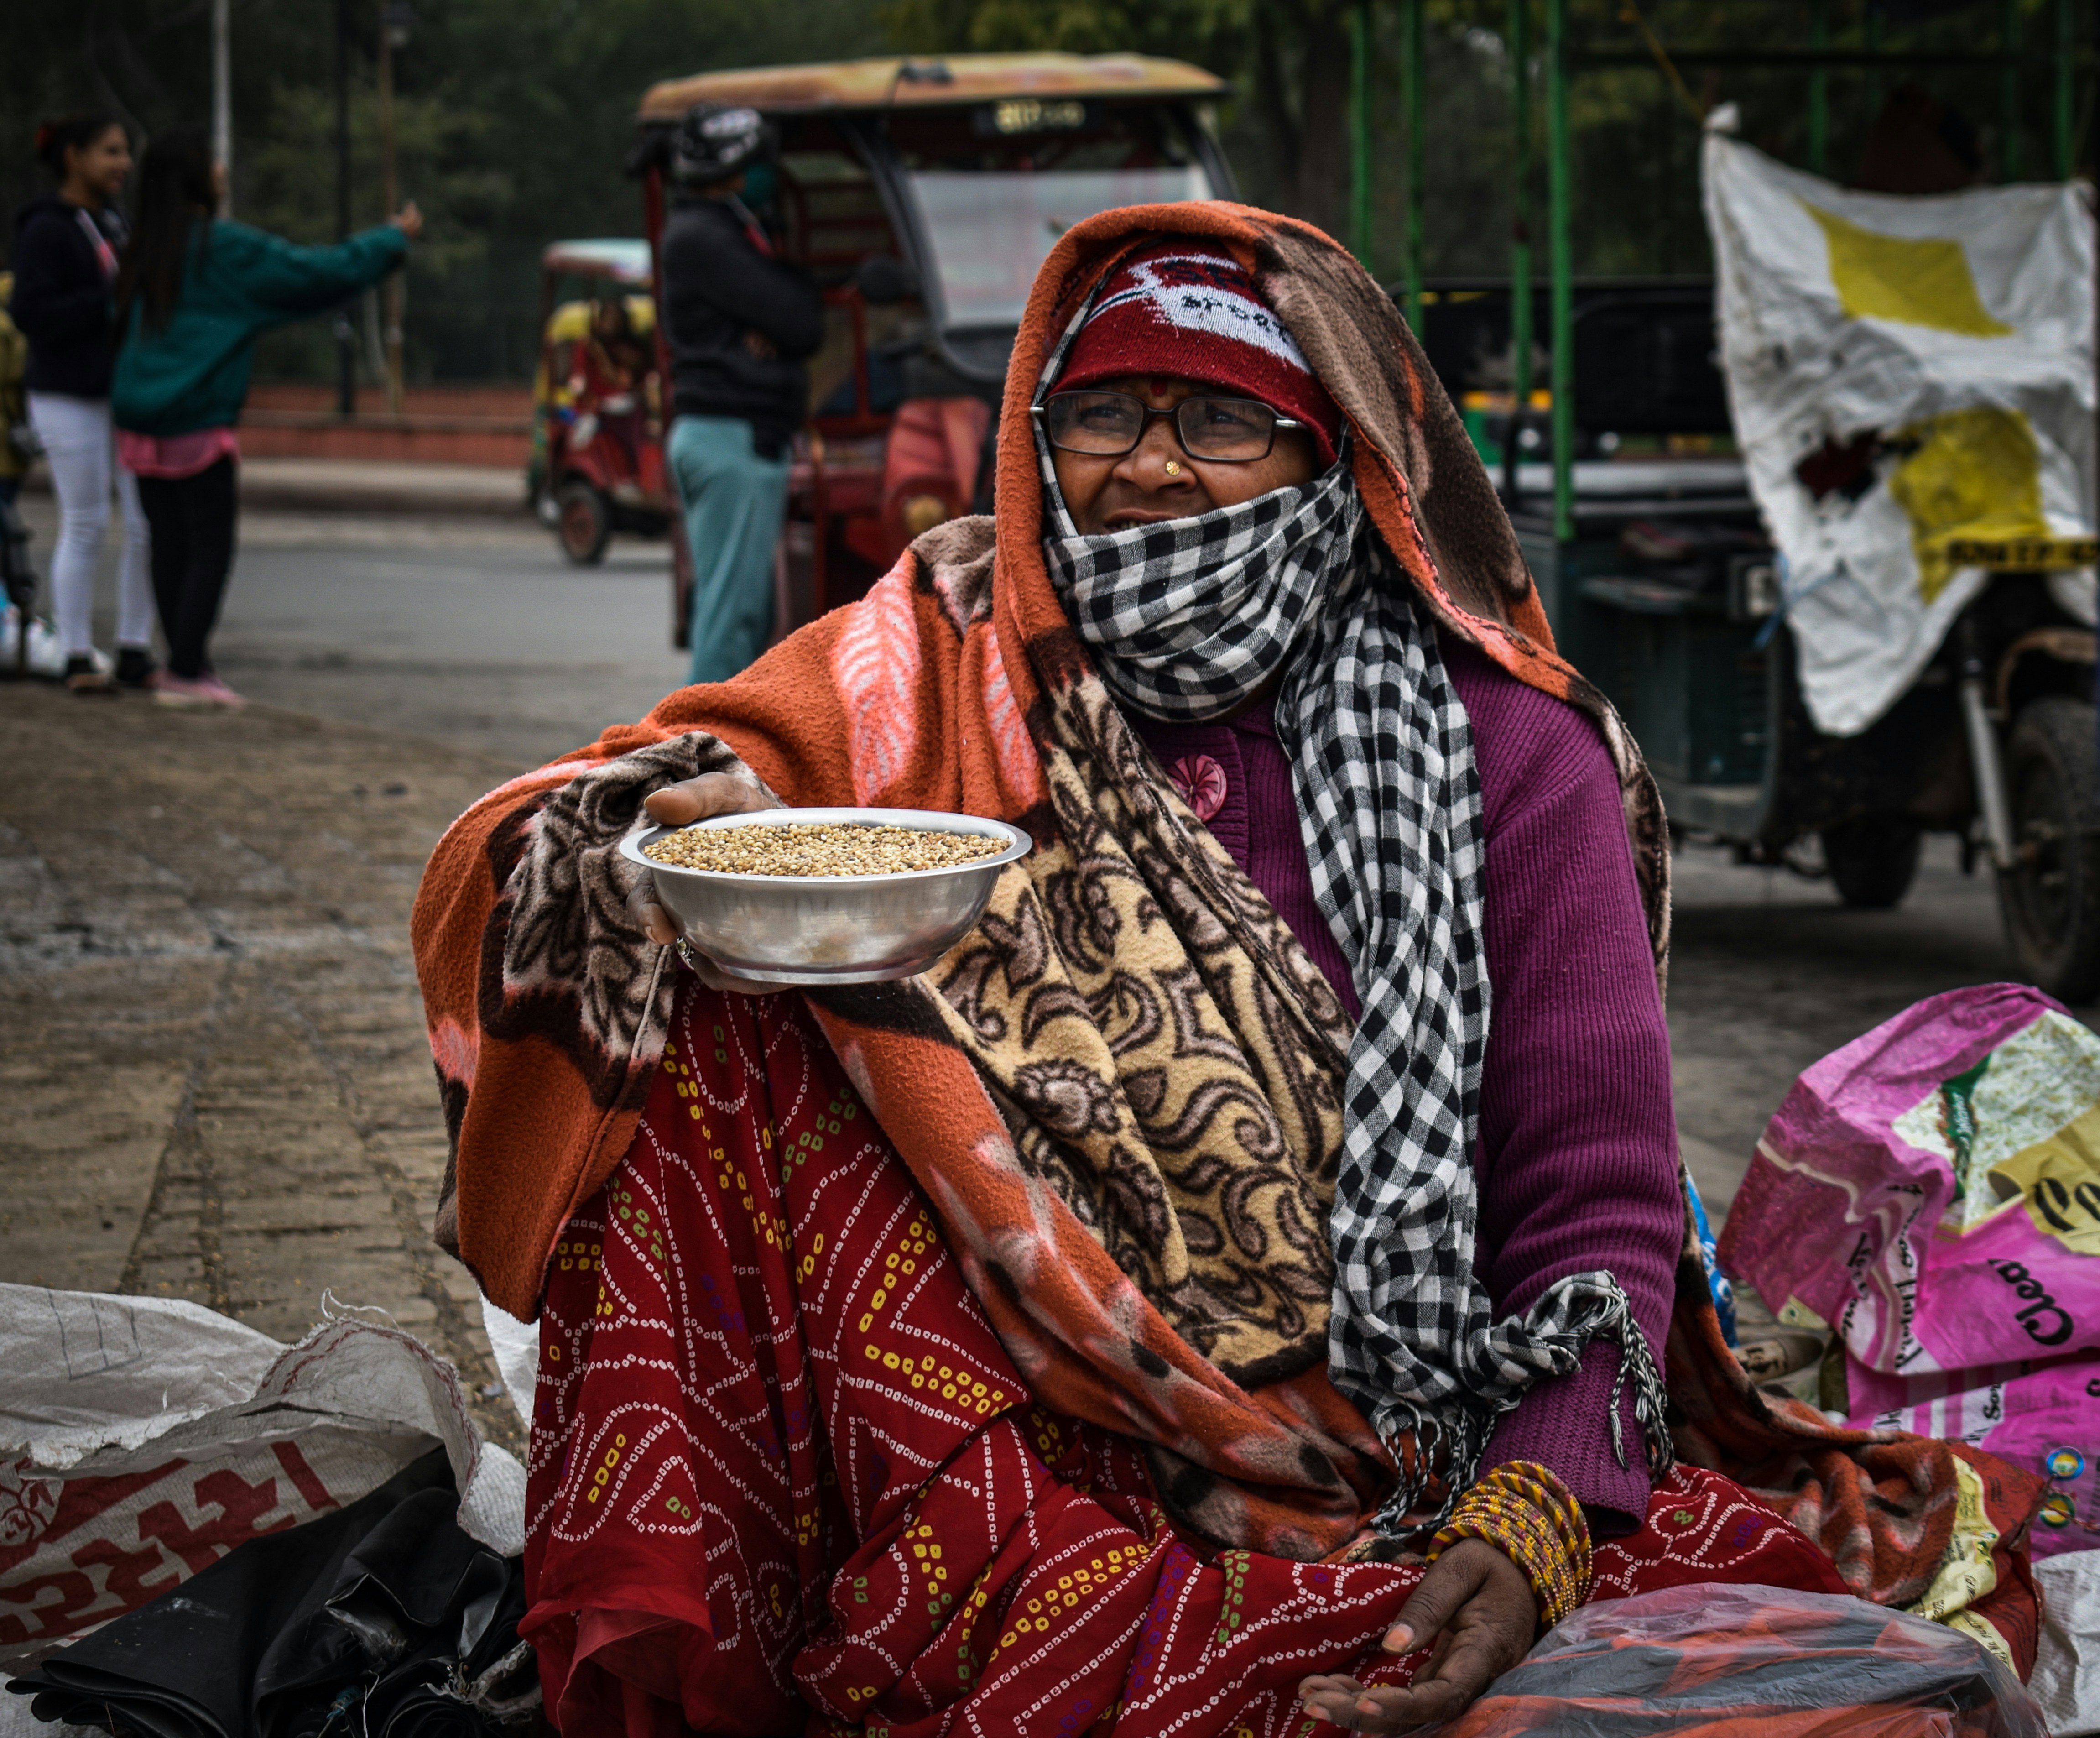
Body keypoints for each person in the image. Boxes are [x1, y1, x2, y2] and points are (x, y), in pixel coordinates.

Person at [412, 211, 2042, 1734]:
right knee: (716, 1028)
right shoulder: (935, 659)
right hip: (1021, 1394)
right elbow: (599, 814)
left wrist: (1540, 1505)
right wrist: (637, 843)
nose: (1152, 475)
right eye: (1107, 419)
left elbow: (1591, 1193)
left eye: (1219, 424)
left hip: (1403, 1426)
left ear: (1334, 457)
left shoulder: (1512, 752)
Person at [110, 126, 420, 709]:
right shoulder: (219, 248)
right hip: (197, 421)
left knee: (167, 545)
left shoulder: (142, 248)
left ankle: (183, 661)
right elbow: (314, 273)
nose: (224, 174)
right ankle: (185, 667)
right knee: (209, 547)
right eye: (216, 164)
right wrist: (389, 240)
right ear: (198, 178)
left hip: (138, 426)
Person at [657, 102, 823, 684]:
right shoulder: (708, 236)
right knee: (732, 621)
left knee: (735, 613)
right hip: (732, 439)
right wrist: (782, 317)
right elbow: (802, 321)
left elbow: (787, 325)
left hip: (728, 435)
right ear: (734, 169)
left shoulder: (708, 232)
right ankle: (703, 756)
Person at [10, 115, 156, 693]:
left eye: (125, 152)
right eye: (110, 152)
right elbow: (31, 312)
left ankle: (135, 648)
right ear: (73, 157)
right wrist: (105, 302)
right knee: (87, 521)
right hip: (67, 394)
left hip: (122, 391)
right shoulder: (47, 229)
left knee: (146, 525)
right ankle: (74, 654)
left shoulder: (117, 223)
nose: (122, 164)